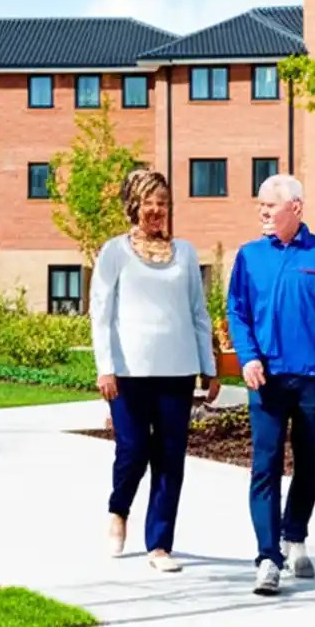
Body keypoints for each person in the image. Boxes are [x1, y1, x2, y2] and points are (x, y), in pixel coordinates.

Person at [226, 173, 315, 596]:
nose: (263, 212)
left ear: (295, 208)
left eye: (270, 205)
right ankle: (268, 557)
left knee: (311, 463)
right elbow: (237, 312)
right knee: (265, 467)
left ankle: (294, 534)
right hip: (266, 380)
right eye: (260, 205)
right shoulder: (248, 257)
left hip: (313, 380)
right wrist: (247, 358)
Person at [90, 168, 220, 573]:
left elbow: (199, 314)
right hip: (128, 374)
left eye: (162, 203)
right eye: (149, 202)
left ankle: (160, 544)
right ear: (134, 205)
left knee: (170, 457)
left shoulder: (185, 253)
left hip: (177, 372)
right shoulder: (114, 252)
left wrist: (208, 367)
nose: (156, 210)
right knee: (132, 451)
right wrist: (105, 368)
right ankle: (118, 509)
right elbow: (100, 313)